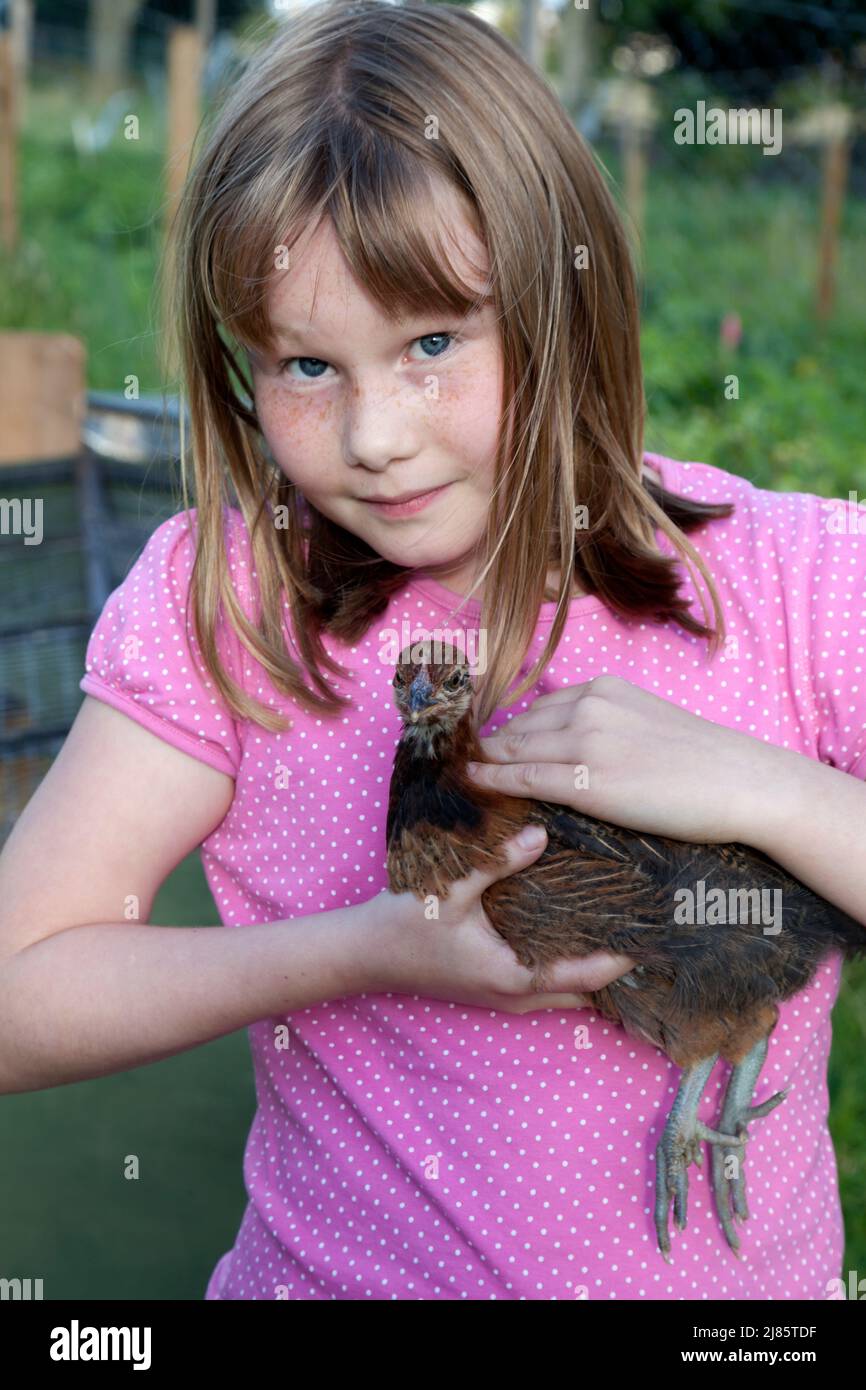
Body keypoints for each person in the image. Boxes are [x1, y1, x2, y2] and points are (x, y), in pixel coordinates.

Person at [1, 0, 864, 1300]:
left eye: (430, 343)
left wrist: (770, 791)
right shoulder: (230, 599)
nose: (374, 435)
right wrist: (358, 948)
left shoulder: (794, 578)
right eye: (304, 364)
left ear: (558, 299)